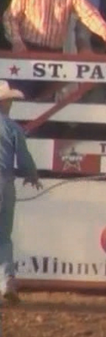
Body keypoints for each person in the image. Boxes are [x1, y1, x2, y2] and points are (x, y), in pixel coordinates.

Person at [0, 82, 42, 304]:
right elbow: (23, 157)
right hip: (5, 182)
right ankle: (6, 281)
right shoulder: (13, 128)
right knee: (4, 236)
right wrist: (32, 175)